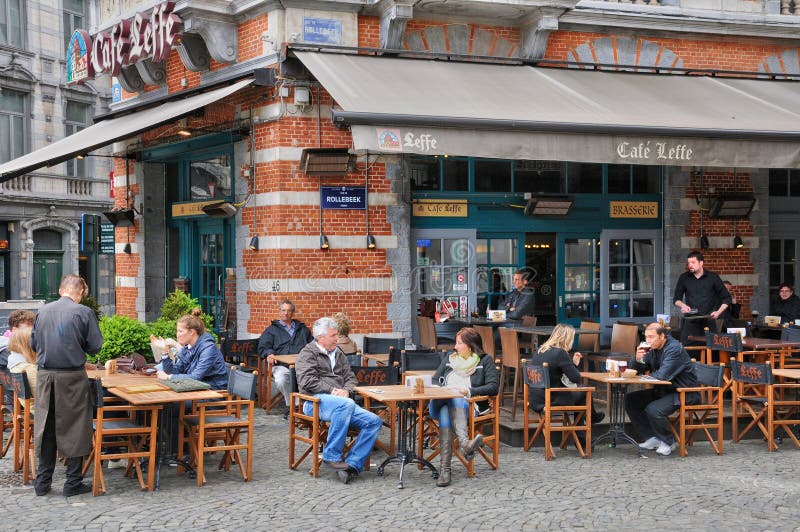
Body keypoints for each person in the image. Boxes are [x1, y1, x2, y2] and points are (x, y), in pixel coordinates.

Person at [32, 274, 103, 497]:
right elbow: (94, 347)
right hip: (72, 377)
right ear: (79, 292)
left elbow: (34, 344)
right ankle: (72, 484)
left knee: (46, 427)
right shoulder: (83, 312)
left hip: (45, 377)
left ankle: (42, 483)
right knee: (75, 427)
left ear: (61, 290)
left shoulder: (42, 311)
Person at [295, 317, 382, 485]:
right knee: (347, 404)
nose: (337, 338)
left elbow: (351, 378)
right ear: (320, 337)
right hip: (314, 401)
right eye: (333, 335)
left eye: (336, 335)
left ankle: (351, 465)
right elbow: (307, 381)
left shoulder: (338, 353)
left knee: (374, 421)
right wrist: (333, 391)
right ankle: (331, 456)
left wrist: (346, 390)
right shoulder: (307, 353)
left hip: (341, 403)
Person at [430, 327, 498, 487]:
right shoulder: (449, 358)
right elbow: (434, 380)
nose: (455, 346)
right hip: (439, 403)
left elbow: (493, 387)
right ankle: (465, 444)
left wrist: (468, 391)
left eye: (459, 343)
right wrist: (443, 390)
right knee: (451, 399)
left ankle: (445, 471)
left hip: (469, 406)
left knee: (450, 408)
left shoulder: (485, 361)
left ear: (470, 345)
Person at [625, 323, 698, 456]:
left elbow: (662, 375)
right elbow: (636, 370)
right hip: (664, 390)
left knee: (653, 409)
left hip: (684, 392)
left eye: (651, 337)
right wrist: (637, 359)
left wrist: (646, 376)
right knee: (631, 400)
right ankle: (652, 438)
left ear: (662, 336)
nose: (648, 341)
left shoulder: (674, 349)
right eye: (646, 337)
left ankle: (668, 442)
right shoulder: (652, 348)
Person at [528, 324, 605, 424]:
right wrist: (574, 365)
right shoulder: (560, 353)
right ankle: (583, 429)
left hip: (536, 399)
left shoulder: (540, 350)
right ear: (568, 339)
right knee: (585, 392)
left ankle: (583, 430)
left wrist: (572, 364)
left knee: (581, 391)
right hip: (550, 399)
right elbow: (575, 378)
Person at [258, 299, 313, 417]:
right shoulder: (271, 330)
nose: (285, 313)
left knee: (313, 377)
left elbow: (312, 344)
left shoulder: (302, 329)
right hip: (281, 366)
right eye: (283, 310)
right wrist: (269, 354)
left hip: (301, 365)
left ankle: (309, 406)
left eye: (288, 311)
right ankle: (295, 406)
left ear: (293, 312)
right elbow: (263, 347)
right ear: (279, 312)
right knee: (281, 379)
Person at [155, 309, 228, 390]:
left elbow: (195, 377)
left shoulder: (209, 349)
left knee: (169, 400)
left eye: (180, 331)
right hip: (196, 388)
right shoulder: (188, 347)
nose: (177, 335)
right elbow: (174, 371)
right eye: (177, 331)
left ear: (191, 332)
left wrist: (168, 377)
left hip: (213, 392)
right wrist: (164, 351)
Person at [673, 251, 732, 344]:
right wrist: (683, 305)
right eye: (689, 263)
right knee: (687, 351)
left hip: (709, 321)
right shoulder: (684, 277)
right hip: (690, 321)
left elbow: (727, 298)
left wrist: (718, 312)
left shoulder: (713, 277)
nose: (690, 265)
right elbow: (676, 299)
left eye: (693, 262)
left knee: (712, 352)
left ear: (701, 263)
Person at [0, 309, 35, 404]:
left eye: (32, 325)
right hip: (27, 401)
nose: (32, 329)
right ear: (15, 330)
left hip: (17, 400)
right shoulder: (11, 352)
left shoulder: (8, 351)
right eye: (28, 325)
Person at [7, 326, 38, 411]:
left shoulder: (15, 363)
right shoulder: (29, 368)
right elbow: (42, 394)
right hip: (41, 409)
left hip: (29, 406)